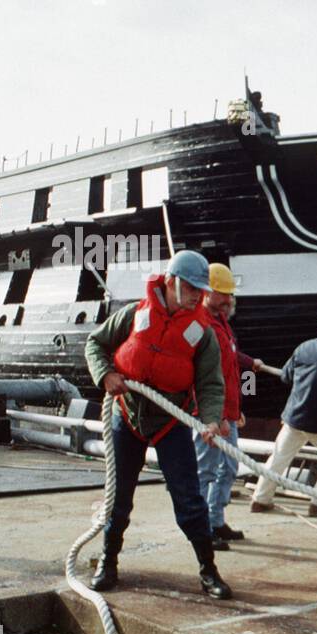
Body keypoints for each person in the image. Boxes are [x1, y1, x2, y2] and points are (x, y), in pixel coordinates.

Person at [84, 250, 232, 600]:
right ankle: (109, 561)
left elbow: (211, 383)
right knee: (118, 497)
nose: (198, 295)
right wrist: (105, 375)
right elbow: (96, 343)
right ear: (170, 281)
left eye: (201, 290)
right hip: (127, 414)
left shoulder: (203, 333)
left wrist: (210, 420)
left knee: (189, 499)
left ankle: (208, 569)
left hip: (170, 421)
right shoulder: (134, 315)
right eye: (192, 287)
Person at [251, 308, 317, 516]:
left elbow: (286, 376)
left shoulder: (304, 347)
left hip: (293, 418)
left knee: (278, 457)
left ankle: (260, 500)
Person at [194, 264, 263, 550]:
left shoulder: (221, 321)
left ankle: (216, 520)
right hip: (210, 415)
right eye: (223, 295)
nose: (229, 300)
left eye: (230, 295)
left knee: (230, 467)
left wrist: (250, 364)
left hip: (228, 412)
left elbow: (229, 356)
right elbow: (199, 376)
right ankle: (201, 530)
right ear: (207, 293)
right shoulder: (200, 325)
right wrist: (218, 416)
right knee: (206, 471)